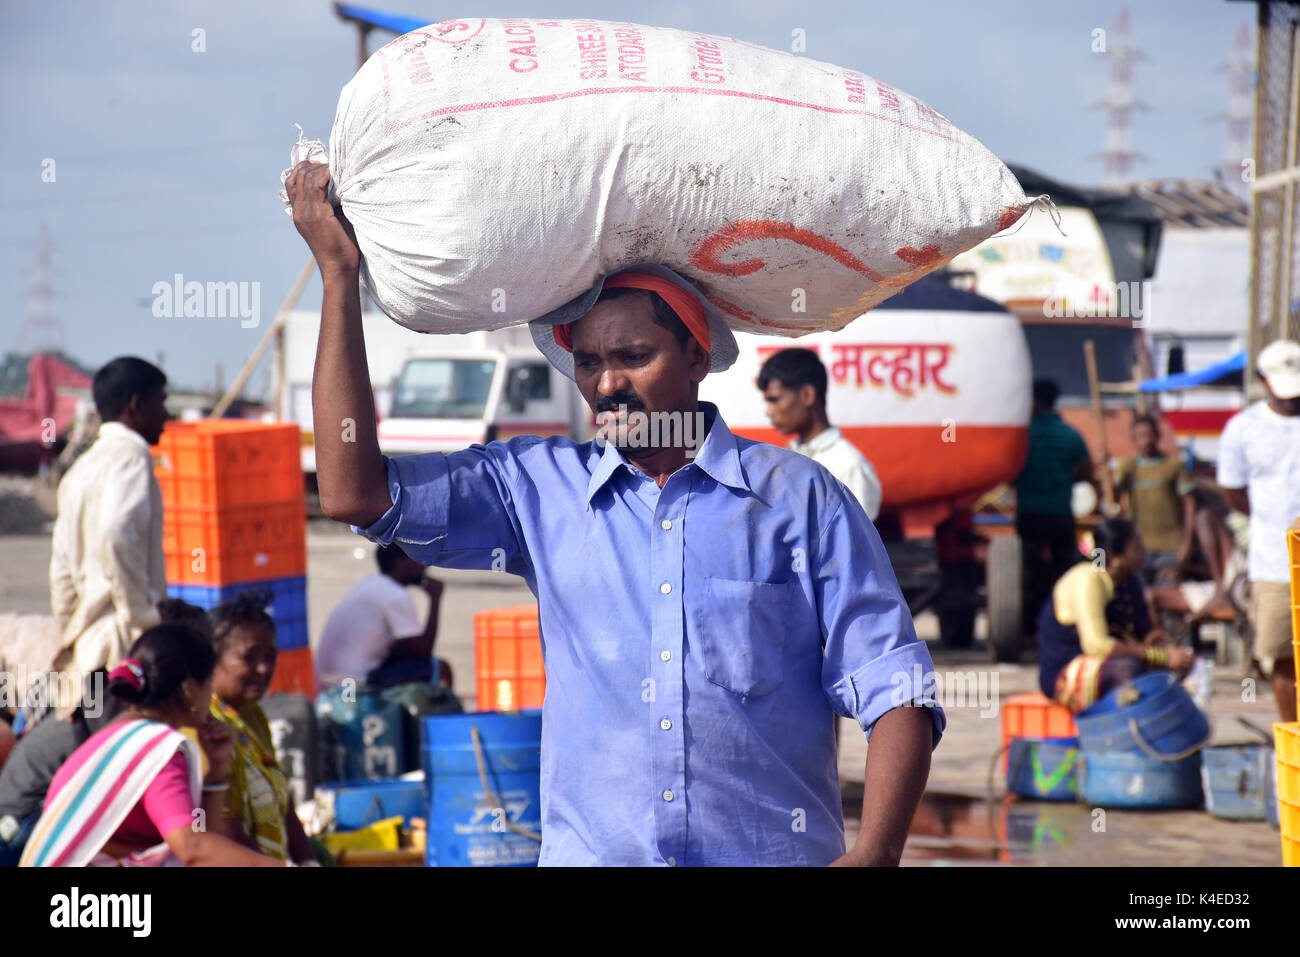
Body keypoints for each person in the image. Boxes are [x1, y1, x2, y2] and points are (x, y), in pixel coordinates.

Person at [287, 160, 944, 867]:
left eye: (634, 356)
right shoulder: (536, 489)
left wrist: (876, 851)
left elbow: (896, 687)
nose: (607, 384)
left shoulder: (800, 500)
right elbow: (355, 494)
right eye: (589, 361)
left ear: (696, 356)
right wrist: (338, 276)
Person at [19, 625, 289, 867]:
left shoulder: (122, 736)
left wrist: (216, 775)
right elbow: (192, 849)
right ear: (189, 689)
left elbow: (200, 836)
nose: (211, 697)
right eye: (209, 685)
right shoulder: (156, 751)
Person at [0, 600, 209, 866]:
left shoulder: (128, 705)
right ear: (189, 685)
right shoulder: (147, 740)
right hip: (21, 822)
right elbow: (191, 846)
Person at [47, 357, 170, 713]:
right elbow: (118, 534)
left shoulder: (80, 468)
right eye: (161, 402)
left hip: (87, 651)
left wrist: (72, 627)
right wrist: (142, 617)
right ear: (137, 405)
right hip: (122, 651)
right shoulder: (132, 456)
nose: (166, 416)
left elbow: (61, 568)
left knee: (92, 736)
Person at [1217, 339, 1300, 724]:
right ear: (1264, 381)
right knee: (1283, 657)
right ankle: (1293, 737)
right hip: (1275, 565)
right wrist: (1274, 521)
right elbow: (1234, 494)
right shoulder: (1243, 429)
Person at [1037, 518, 1193, 713]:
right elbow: (1098, 646)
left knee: (1174, 667)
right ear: (1116, 558)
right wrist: (1160, 656)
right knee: (1129, 670)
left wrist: (1170, 650)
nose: (1144, 550)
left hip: (1111, 661)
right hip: (1066, 673)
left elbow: (1143, 632)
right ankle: (1126, 726)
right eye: (1136, 547)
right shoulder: (1089, 580)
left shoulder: (1129, 581)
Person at [207, 591, 318, 864]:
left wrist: (308, 861)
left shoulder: (252, 715)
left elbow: (283, 803)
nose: (264, 669)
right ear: (213, 660)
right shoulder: (208, 726)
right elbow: (225, 829)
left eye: (270, 657)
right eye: (250, 657)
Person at [757, 347, 882, 521]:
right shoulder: (790, 456)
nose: (769, 412)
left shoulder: (849, 466)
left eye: (774, 400)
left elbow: (855, 535)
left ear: (807, 395)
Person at [1015, 378, 1093, 637]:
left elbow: (1009, 470)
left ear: (1033, 400)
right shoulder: (1070, 434)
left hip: (1029, 515)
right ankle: (1064, 626)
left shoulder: (1023, 436)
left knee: (1030, 574)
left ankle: (1030, 632)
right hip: (1060, 514)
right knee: (1064, 572)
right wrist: (1065, 478)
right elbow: (1086, 472)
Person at [314, 545, 450, 690]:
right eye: (419, 559)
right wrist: (435, 598)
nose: (425, 566)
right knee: (440, 668)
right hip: (355, 682)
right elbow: (424, 652)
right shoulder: (396, 595)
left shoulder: (367, 583)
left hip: (326, 681)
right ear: (400, 562)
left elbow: (403, 648)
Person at [1114, 413, 1197, 585]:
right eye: (1141, 436)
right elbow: (1113, 498)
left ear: (1158, 436)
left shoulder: (1173, 465)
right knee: (1141, 592)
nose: (1146, 441)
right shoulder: (1128, 467)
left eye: (1150, 434)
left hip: (1171, 547)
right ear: (1134, 439)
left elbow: (1189, 502)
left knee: (1167, 592)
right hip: (1139, 548)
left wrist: (1187, 542)